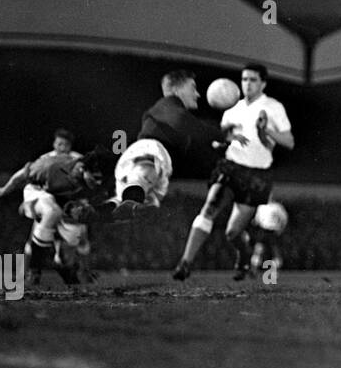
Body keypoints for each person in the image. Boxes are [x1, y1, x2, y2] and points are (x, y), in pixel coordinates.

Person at [173, 64, 293, 281]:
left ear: (263, 83)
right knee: (209, 207)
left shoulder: (274, 108)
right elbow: (225, 140)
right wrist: (221, 144)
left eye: (253, 80)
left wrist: (265, 130)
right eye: (244, 79)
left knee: (233, 233)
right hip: (231, 167)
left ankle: (245, 257)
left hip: (257, 174)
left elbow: (289, 141)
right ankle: (185, 262)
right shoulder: (231, 111)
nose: (247, 84)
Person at [111, 70, 223, 214]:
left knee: (145, 202)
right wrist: (222, 135)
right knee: (142, 180)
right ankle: (131, 197)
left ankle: (103, 209)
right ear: (176, 90)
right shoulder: (169, 104)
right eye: (193, 88)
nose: (197, 94)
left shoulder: (169, 116)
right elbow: (181, 120)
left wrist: (216, 145)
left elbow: (194, 137)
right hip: (149, 151)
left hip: (148, 162)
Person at [14, 149, 110, 286]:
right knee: (41, 228)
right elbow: (28, 176)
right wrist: (27, 200)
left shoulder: (88, 172)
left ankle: (67, 269)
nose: (98, 182)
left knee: (71, 246)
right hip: (49, 201)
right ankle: (31, 273)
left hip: (69, 210)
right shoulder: (51, 164)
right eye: (60, 143)